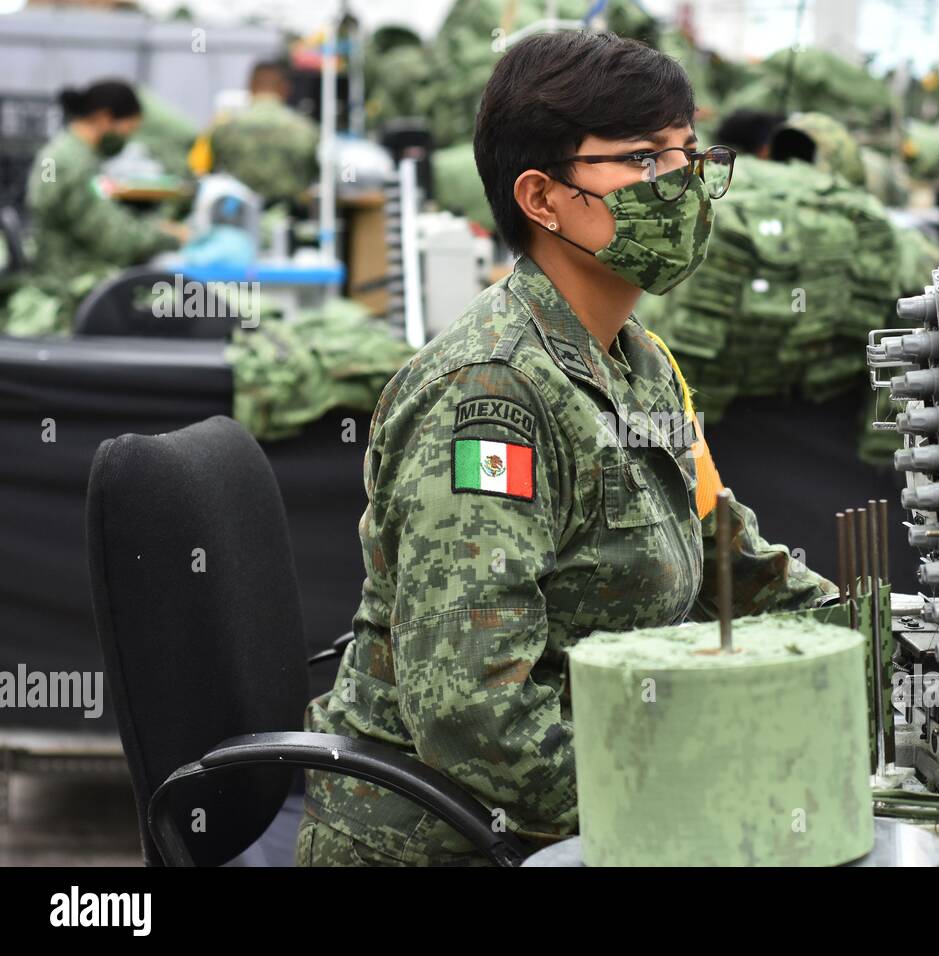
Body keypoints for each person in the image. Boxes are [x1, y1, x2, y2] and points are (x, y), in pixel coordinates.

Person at [296, 31, 838, 867]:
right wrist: (690, 805)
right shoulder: (489, 398)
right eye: (647, 162)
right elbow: (471, 709)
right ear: (542, 198)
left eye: (691, 154)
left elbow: (735, 568)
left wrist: (878, 651)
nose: (686, 184)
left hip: (560, 822)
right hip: (450, 842)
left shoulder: (640, 364)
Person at [11, 80, 186, 334]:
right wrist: (170, 236)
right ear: (104, 119)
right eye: (127, 131)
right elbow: (116, 240)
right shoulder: (71, 164)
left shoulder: (73, 154)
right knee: (187, 307)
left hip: (72, 273)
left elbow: (102, 220)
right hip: (72, 285)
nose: (126, 139)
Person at [202, 61, 318, 208]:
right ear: (285, 88)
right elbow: (313, 176)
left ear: (250, 85)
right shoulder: (307, 130)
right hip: (289, 219)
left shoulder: (223, 129)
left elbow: (209, 172)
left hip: (237, 219)